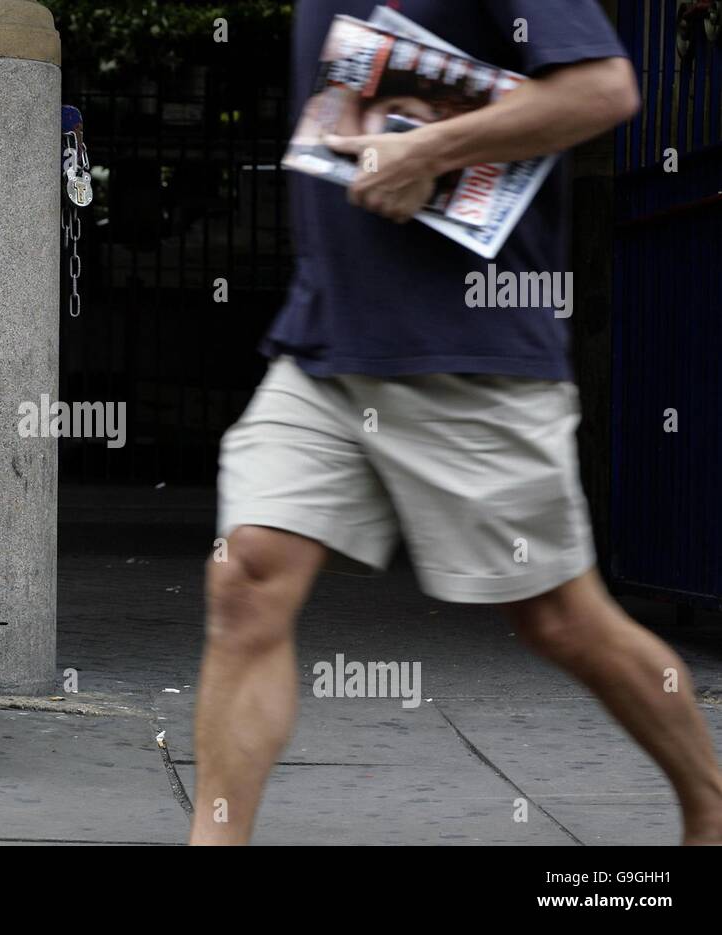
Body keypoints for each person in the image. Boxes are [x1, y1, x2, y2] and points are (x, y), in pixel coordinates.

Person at [191, 0, 722, 845]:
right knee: (246, 577)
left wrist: (427, 148)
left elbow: (605, 88)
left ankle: (711, 807)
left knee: (558, 619)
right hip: (325, 343)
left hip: (471, 349)